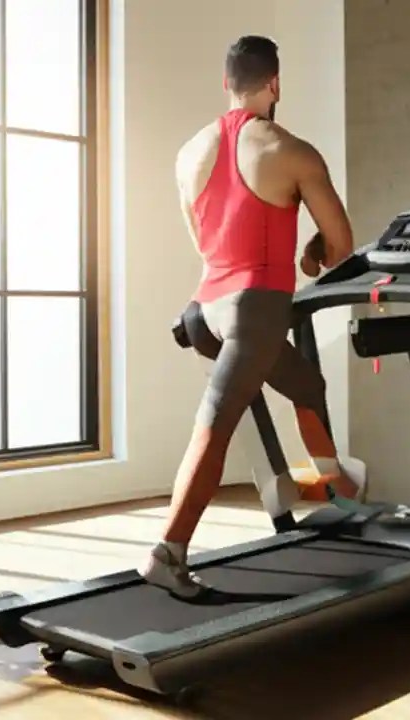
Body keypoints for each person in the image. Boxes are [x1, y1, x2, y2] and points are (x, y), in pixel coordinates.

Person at [138, 35, 361, 598]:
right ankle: (168, 551)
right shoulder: (291, 151)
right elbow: (341, 246)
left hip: (204, 310)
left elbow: (204, 242)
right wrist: (312, 251)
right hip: (253, 309)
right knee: (214, 429)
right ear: (275, 84)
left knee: (306, 384)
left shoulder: (190, 152)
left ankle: (335, 486)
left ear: (227, 84)